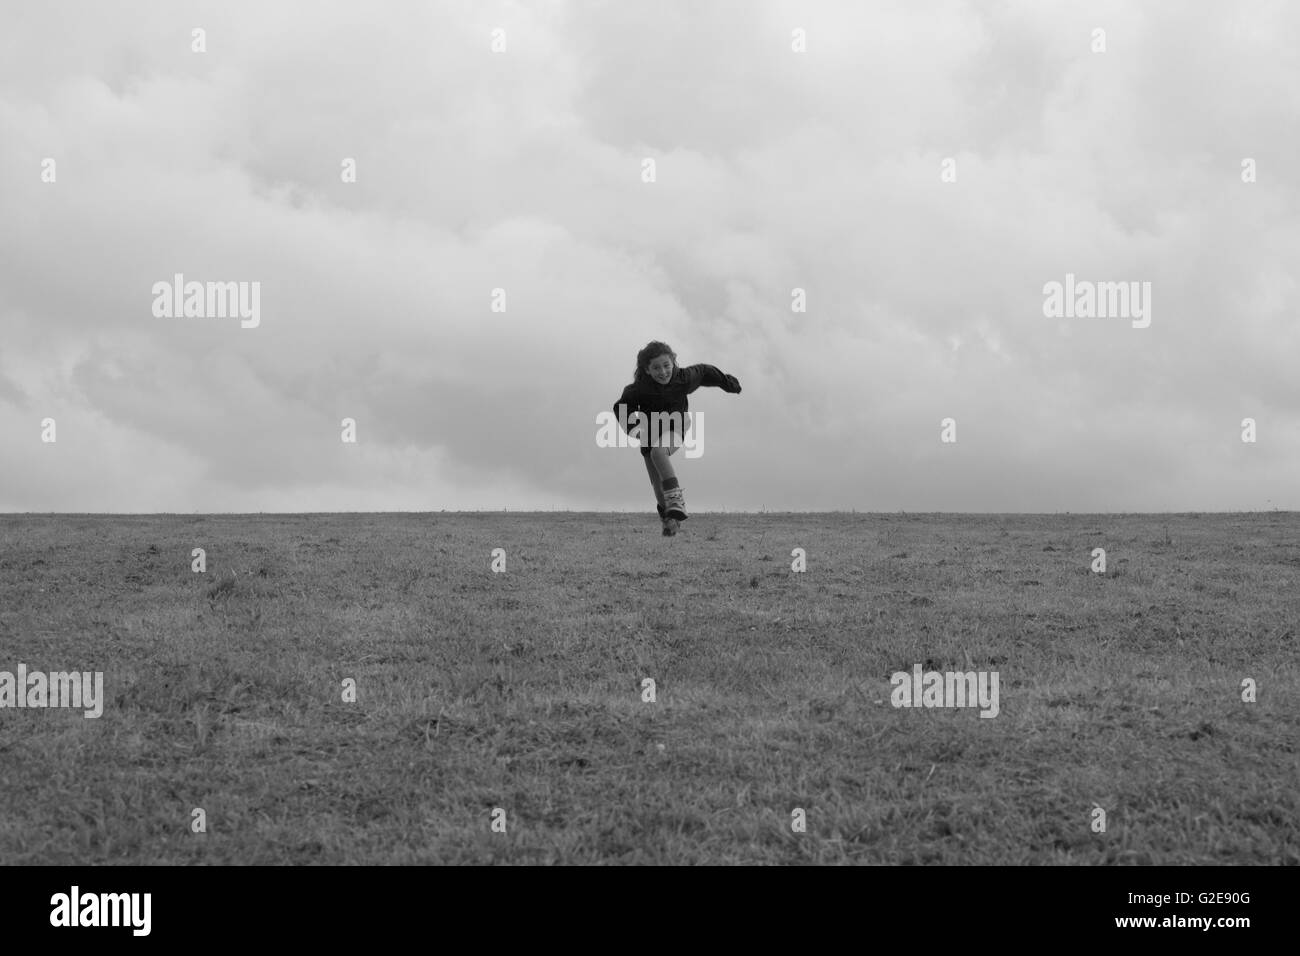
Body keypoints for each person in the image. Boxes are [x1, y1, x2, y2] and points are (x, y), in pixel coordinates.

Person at [611, 341, 741, 535]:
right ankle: (669, 520)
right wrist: (634, 429)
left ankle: (676, 500)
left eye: (666, 365)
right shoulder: (638, 389)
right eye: (656, 368)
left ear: (673, 362)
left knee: (659, 452)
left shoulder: (684, 378)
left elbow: (705, 372)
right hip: (649, 433)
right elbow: (621, 408)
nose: (663, 372)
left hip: (676, 427)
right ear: (646, 370)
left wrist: (728, 383)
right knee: (657, 484)